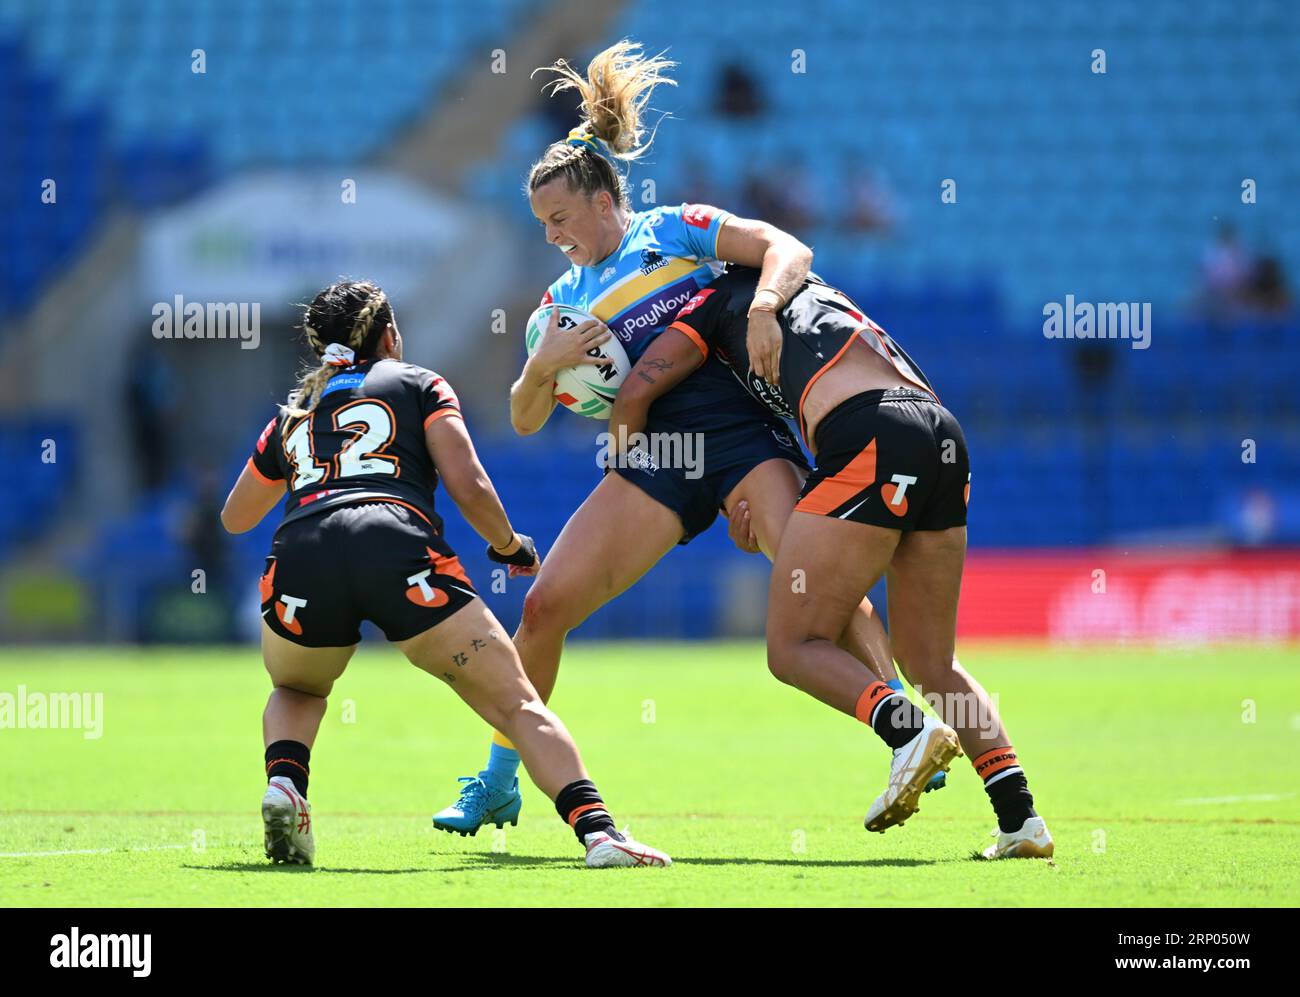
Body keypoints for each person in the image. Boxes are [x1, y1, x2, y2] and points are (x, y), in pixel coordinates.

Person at [433, 39, 940, 836]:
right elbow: (527, 419)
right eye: (541, 224)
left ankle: (906, 731)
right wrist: (542, 368)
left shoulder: (673, 230)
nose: (552, 235)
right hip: (652, 460)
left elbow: (788, 249)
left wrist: (768, 306)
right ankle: (499, 776)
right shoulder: (560, 302)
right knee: (544, 606)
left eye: (560, 217)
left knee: (817, 590)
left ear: (603, 201)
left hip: (744, 437)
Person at [219, 279, 670, 869]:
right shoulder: (419, 383)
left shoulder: (295, 412)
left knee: (296, 688)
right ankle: (600, 835)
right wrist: (508, 545)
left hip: (303, 553)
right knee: (517, 705)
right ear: (388, 335)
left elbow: (236, 516)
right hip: (397, 547)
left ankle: (286, 784)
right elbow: (468, 482)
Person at [610, 265, 1054, 859]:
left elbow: (638, 388)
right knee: (931, 659)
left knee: (793, 646)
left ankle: (909, 729)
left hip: (868, 431)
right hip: (938, 430)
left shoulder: (713, 299)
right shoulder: (818, 292)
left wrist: (621, 462)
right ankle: (1021, 820)